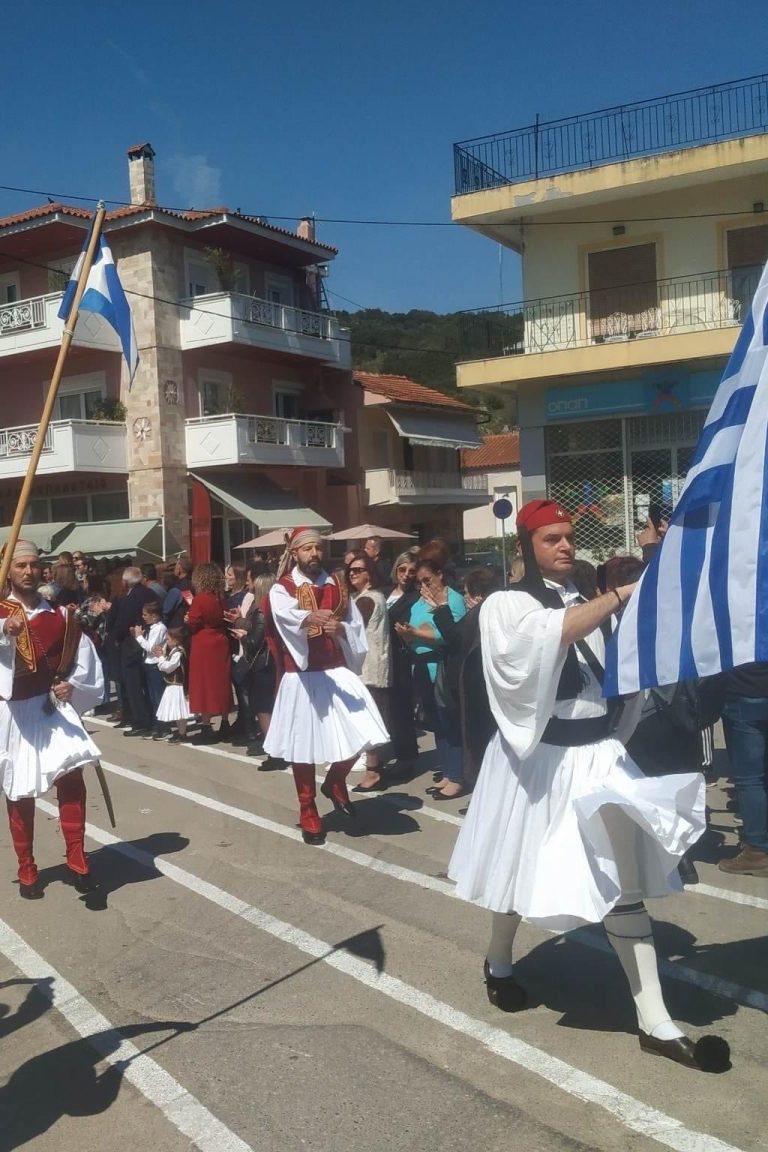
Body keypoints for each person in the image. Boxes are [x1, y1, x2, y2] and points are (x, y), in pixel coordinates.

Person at [448, 499, 730, 1072]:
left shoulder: (585, 602)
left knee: (622, 883)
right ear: (528, 546)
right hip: (538, 760)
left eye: (570, 537)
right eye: (553, 538)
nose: (566, 546)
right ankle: (498, 962)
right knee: (516, 868)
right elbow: (547, 640)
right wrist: (619, 595)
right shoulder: (506, 604)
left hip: (597, 756)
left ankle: (655, 1020)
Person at [263, 527, 389, 845]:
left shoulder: (337, 585)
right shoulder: (283, 588)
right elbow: (283, 619)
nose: (314, 554)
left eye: (317, 548)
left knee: (367, 731)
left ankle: (335, 779)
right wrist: (307, 619)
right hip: (302, 676)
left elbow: (355, 626)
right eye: (307, 549)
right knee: (303, 747)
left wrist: (341, 628)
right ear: (295, 554)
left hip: (335, 670)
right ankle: (308, 809)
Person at [0, 539, 105, 899]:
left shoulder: (61, 614)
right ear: (8, 570)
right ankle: (26, 866)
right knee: (19, 789)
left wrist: (71, 685)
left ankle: (78, 858)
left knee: (72, 777)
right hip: (13, 712)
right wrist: (4, 632)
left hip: (50, 707)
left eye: (33, 564)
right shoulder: (0, 613)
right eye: (20, 566)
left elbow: (84, 658)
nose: (28, 571)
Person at [395, 556, 466, 799]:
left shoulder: (452, 599)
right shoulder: (419, 602)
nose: (424, 586)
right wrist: (408, 634)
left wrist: (416, 632)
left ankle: (457, 775)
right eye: (419, 583)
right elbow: (418, 629)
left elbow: (449, 634)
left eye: (428, 580)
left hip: (441, 667)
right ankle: (448, 772)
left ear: (440, 574)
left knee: (450, 722)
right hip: (421, 666)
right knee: (437, 724)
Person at [430, 566, 502, 794]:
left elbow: (455, 637)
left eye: (468, 593)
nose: (465, 598)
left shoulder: (483, 613)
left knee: (482, 742)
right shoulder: (486, 611)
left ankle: (485, 793)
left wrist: (441, 609)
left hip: (482, 688)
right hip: (482, 686)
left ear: (479, 596)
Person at [354, 551, 419, 793]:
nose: (406, 575)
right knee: (389, 711)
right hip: (384, 655)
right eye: (402, 570)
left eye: (411, 571)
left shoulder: (414, 597)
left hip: (399, 657)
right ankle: (394, 758)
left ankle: (407, 758)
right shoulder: (386, 592)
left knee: (400, 711)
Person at [345, 552, 391, 784]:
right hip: (367, 669)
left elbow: (350, 629)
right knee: (370, 718)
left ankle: (373, 770)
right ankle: (372, 766)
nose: (352, 573)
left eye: (358, 570)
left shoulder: (368, 599)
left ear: (369, 574)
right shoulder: (366, 597)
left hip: (369, 670)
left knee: (370, 719)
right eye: (351, 570)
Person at [187, 563, 232, 744]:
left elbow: (193, 623)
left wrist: (187, 619)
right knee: (222, 682)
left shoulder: (201, 599)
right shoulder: (220, 598)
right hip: (220, 640)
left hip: (203, 642)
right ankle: (225, 720)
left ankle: (206, 725)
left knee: (203, 684)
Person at [109, 567, 157, 737]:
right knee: (147, 684)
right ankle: (152, 718)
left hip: (132, 645)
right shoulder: (150, 593)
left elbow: (121, 623)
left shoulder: (130, 598)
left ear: (126, 581)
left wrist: (116, 636)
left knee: (134, 685)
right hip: (149, 641)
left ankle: (141, 721)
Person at [131, 600, 167, 734]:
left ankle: (162, 726)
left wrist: (139, 637)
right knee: (151, 697)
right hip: (148, 664)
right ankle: (155, 724)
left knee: (158, 697)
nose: (143, 617)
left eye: (146, 615)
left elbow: (151, 648)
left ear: (155, 616)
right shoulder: (152, 628)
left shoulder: (160, 628)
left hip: (155, 665)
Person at [155, 627, 192, 743]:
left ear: (175, 640)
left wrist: (160, 657)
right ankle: (181, 732)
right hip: (172, 686)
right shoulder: (173, 651)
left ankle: (182, 734)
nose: (166, 642)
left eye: (168, 639)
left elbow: (168, 667)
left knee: (180, 711)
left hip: (178, 686)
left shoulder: (178, 652)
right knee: (177, 711)